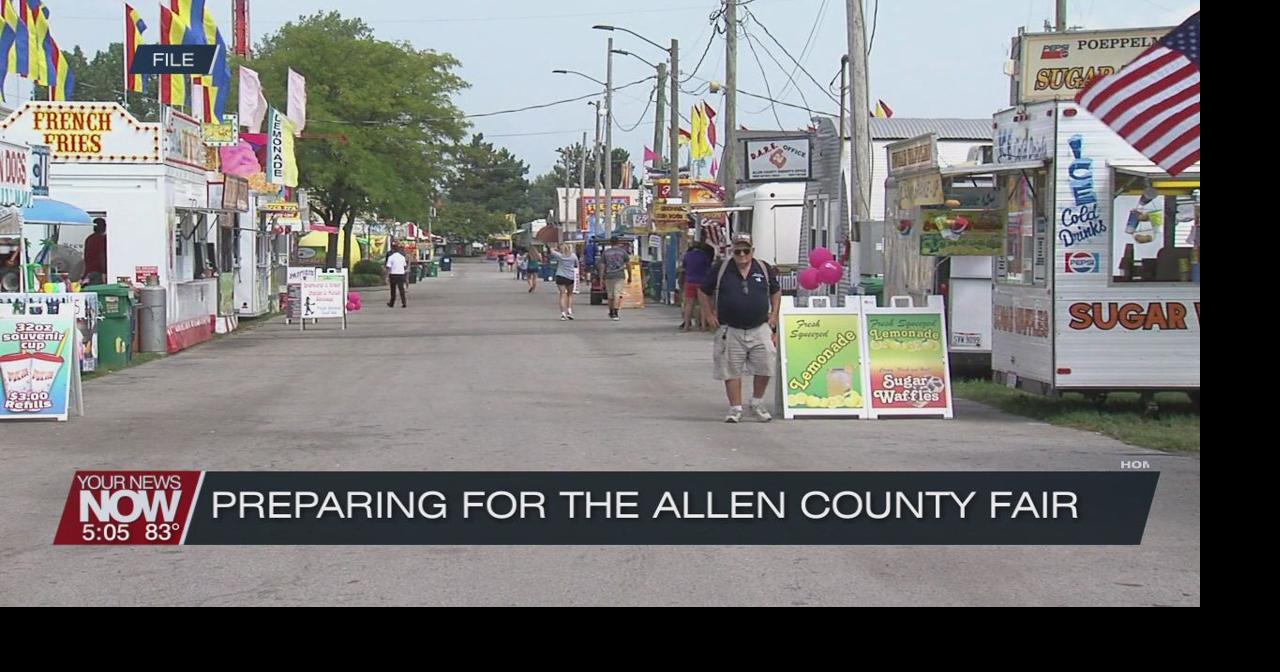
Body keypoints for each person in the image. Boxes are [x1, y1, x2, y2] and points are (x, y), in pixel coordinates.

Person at [700, 234, 781, 423]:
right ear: (732, 252)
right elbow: (704, 292)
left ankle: (757, 402)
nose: (742, 255)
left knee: (766, 365)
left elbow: (776, 291)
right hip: (731, 329)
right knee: (731, 369)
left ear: (752, 251)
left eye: (746, 250)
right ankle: (735, 408)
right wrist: (709, 314)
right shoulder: (721, 269)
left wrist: (774, 315)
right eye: (738, 251)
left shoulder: (763, 268)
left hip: (760, 327)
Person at [680, 242, 713, 332]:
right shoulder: (704, 256)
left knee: (689, 305)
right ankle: (703, 326)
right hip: (701, 283)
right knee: (703, 305)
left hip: (690, 282)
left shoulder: (687, 256)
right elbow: (708, 269)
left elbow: (684, 267)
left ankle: (686, 326)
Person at [598, 238, 631, 321]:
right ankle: (615, 313)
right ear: (618, 242)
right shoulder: (623, 252)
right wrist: (630, 276)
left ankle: (611, 311)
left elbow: (602, 266)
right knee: (617, 294)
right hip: (620, 275)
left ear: (610, 243)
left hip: (609, 275)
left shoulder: (606, 252)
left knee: (610, 294)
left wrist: (601, 278)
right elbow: (628, 264)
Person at [549, 244, 580, 320]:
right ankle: (569, 311)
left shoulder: (560, 256)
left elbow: (551, 250)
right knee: (570, 294)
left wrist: (555, 248)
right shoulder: (573, 256)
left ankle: (563, 313)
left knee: (562, 294)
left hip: (560, 276)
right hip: (570, 277)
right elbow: (576, 265)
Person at [84, 218, 107, 285]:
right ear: (104, 226)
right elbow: (102, 255)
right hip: (99, 272)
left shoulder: (89, 239)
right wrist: (104, 272)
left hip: (89, 271)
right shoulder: (103, 239)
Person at [386, 243, 409, 308]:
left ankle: (392, 303)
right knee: (401, 289)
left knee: (393, 290)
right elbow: (405, 266)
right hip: (401, 274)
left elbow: (388, 267)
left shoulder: (391, 257)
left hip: (393, 274)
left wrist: (387, 276)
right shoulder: (402, 257)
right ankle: (404, 302)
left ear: (392, 249)